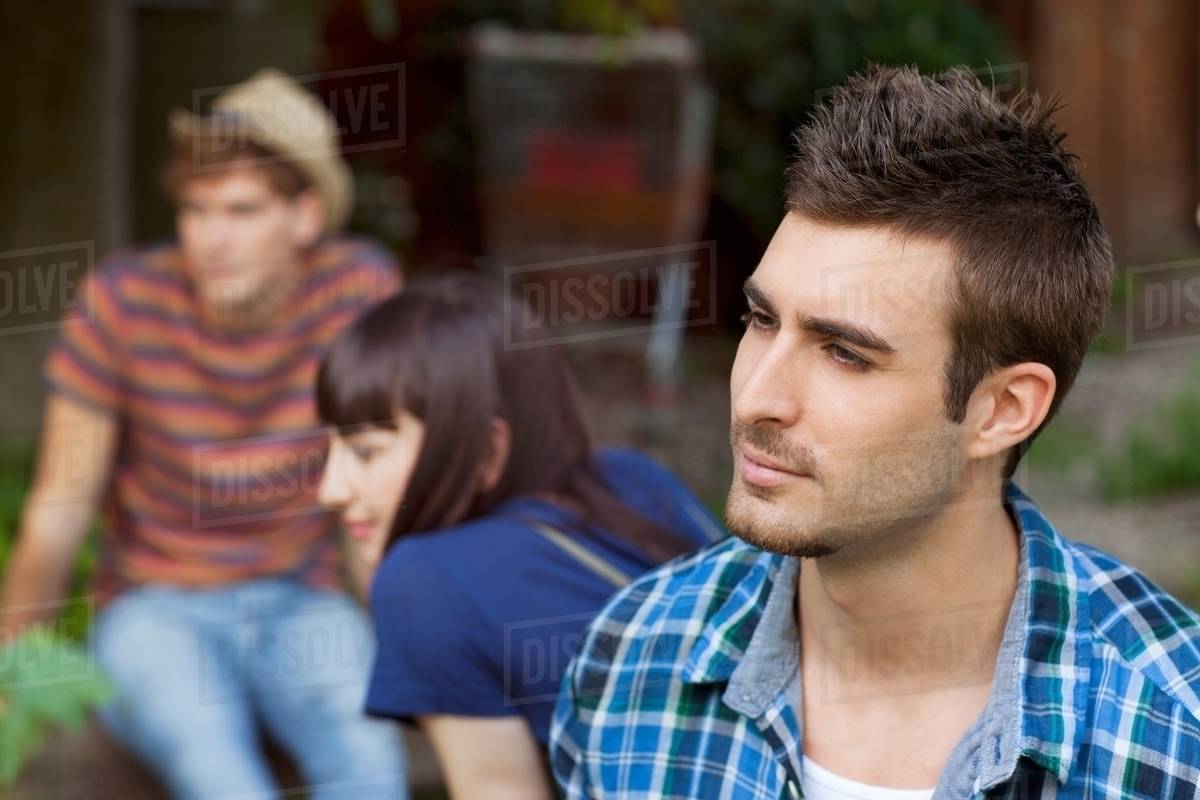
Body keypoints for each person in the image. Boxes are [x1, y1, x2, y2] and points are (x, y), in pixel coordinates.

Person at [550, 64, 1200, 798]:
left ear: (1004, 409)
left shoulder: (1174, 734)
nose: (758, 398)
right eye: (762, 320)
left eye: (844, 353)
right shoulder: (631, 665)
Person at [0, 69, 408, 798]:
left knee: (368, 754)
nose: (211, 237)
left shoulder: (357, 292)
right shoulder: (122, 302)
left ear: (305, 216)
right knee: (217, 775)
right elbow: (59, 508)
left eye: (243, 210)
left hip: (301, 600)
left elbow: (380, 495)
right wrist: (11, 672)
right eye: (195, 209)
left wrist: (421, 642)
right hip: (153, 611)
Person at [314, 273, 724, 799]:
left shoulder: (423, 583)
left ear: (485, 451)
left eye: (366, 451)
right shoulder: (633, 479)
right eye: (329, 449)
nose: (329, 488)